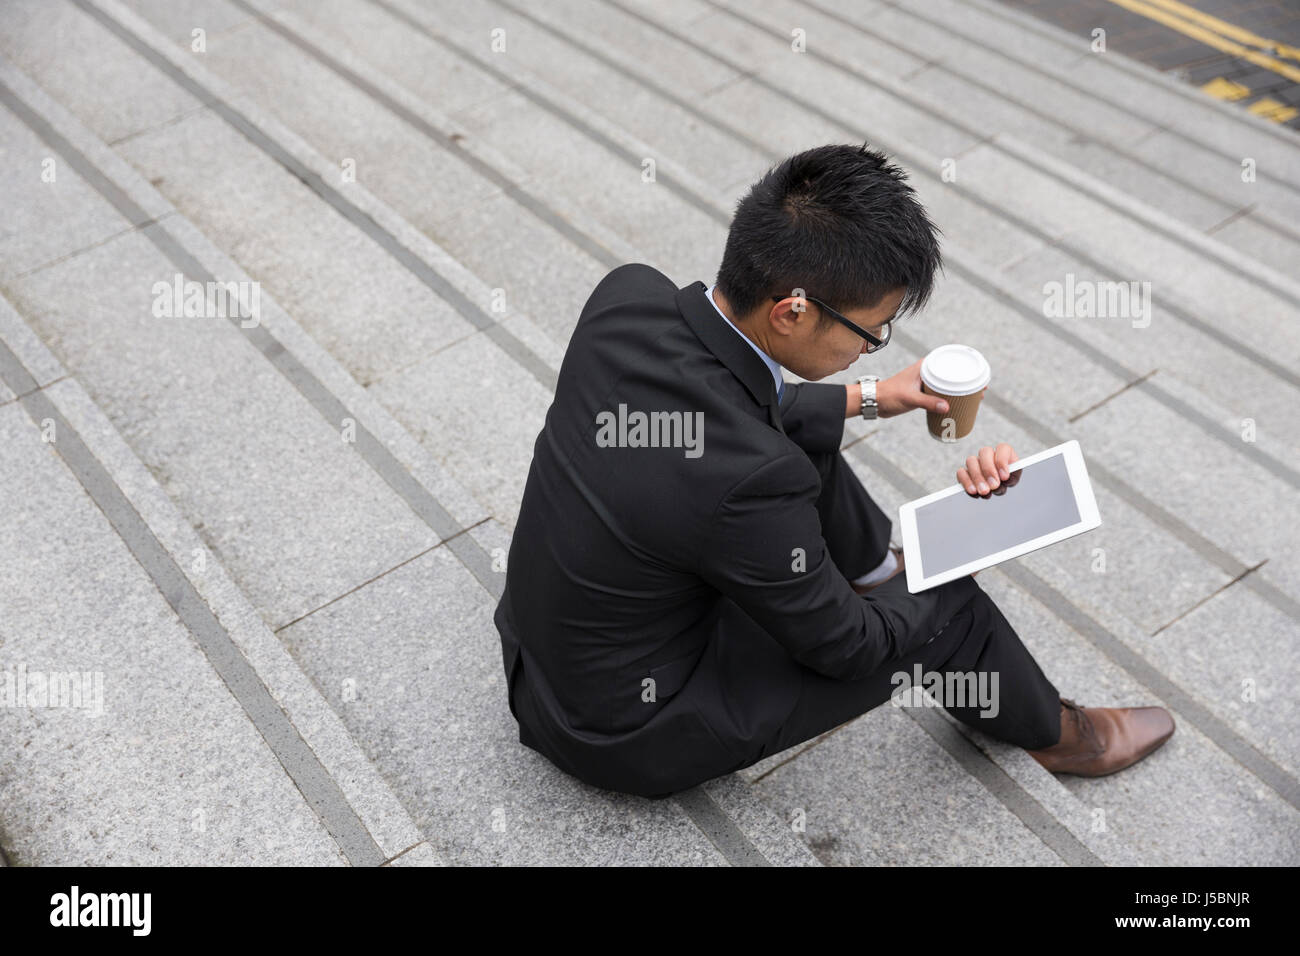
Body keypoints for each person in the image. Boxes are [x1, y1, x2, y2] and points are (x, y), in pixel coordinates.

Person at [494, 143, 1174, 798]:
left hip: (545, 648)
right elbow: (846, 650)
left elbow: (738, 409)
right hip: (620, 726)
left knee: (800, 441)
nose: (871, 348)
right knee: (952, 611)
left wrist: (877, 395)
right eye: (870, 332)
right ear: (792, 310)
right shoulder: (748, 481)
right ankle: (1066, 738)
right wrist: (947, 570)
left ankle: (877, 571)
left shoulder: (629, 299)